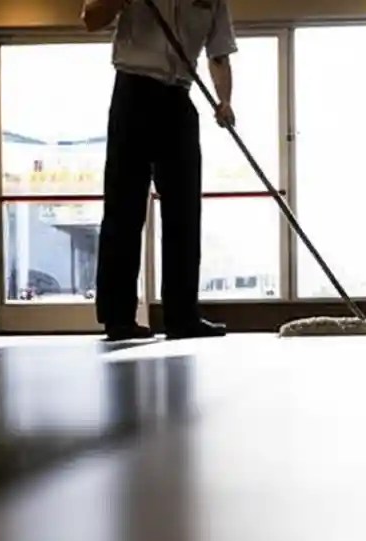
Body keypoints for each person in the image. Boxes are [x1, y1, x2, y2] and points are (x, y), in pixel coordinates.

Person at [81, 0, 237, 340]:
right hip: (133, 92)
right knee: (124, 206)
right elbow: (91, 18)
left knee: (184, 210)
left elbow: (219, 53)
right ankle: (118, 317)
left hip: (179, 98)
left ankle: (182, 317)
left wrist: (224, 101)